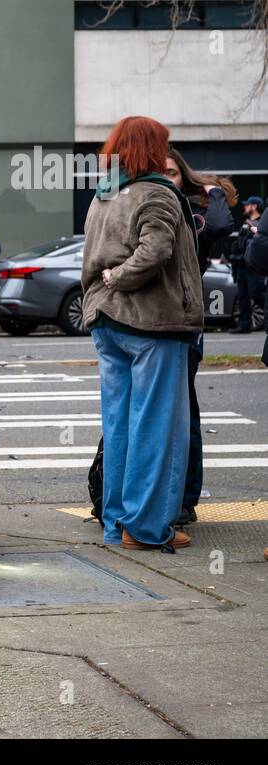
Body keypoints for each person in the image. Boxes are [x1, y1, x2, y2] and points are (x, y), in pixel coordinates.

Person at [82, 116, 203, 552]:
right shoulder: (157, 193)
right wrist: (122, 278)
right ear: (152, 148)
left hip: (107, 323)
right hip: (153, 322)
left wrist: (109, 282)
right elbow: (156, 250)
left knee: (120, 426)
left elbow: (92, 256)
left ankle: (116, 523)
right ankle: (147, 527)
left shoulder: (103, 195)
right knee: (157, 427)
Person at [163, 149, 237, 525]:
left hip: (185, 324)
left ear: (184, 178)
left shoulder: (195, 215)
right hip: (152, 322)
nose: (166, 179)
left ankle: (186, 498)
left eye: (173, 173)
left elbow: (222, 226)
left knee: (183, 413)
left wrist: (214, 192)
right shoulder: (152, 205)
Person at [229, 196, 265, 334]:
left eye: (247, 204)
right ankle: (244, 325)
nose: (245, 207)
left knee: (256, 293)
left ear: (255, 206)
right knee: (242, 296)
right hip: (241, 265)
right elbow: (239, 244)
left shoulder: (261, 223)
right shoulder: (246, 223)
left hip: (253, 267)